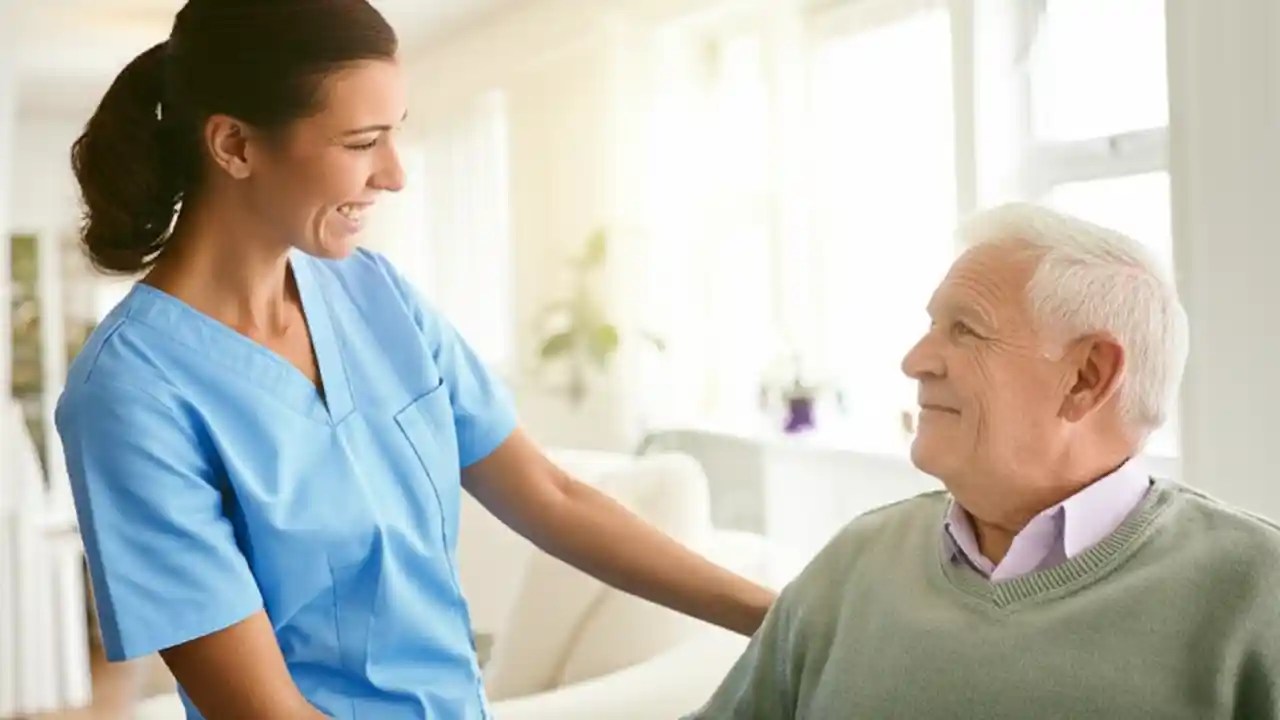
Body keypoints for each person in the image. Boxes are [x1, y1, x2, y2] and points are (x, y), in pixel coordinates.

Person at [55, 2, 776, 718]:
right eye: (361, 141)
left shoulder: (376, 296)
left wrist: (778, 616)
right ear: (236, 146)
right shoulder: (130, 394)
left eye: (395, 135)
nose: (395, 174)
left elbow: (552, 498)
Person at [685, 203, 1280, 719]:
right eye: (931, 326)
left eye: (966, 330)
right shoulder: (854, 561)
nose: (916, 360)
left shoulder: (1257, 592)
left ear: (1086, 377)